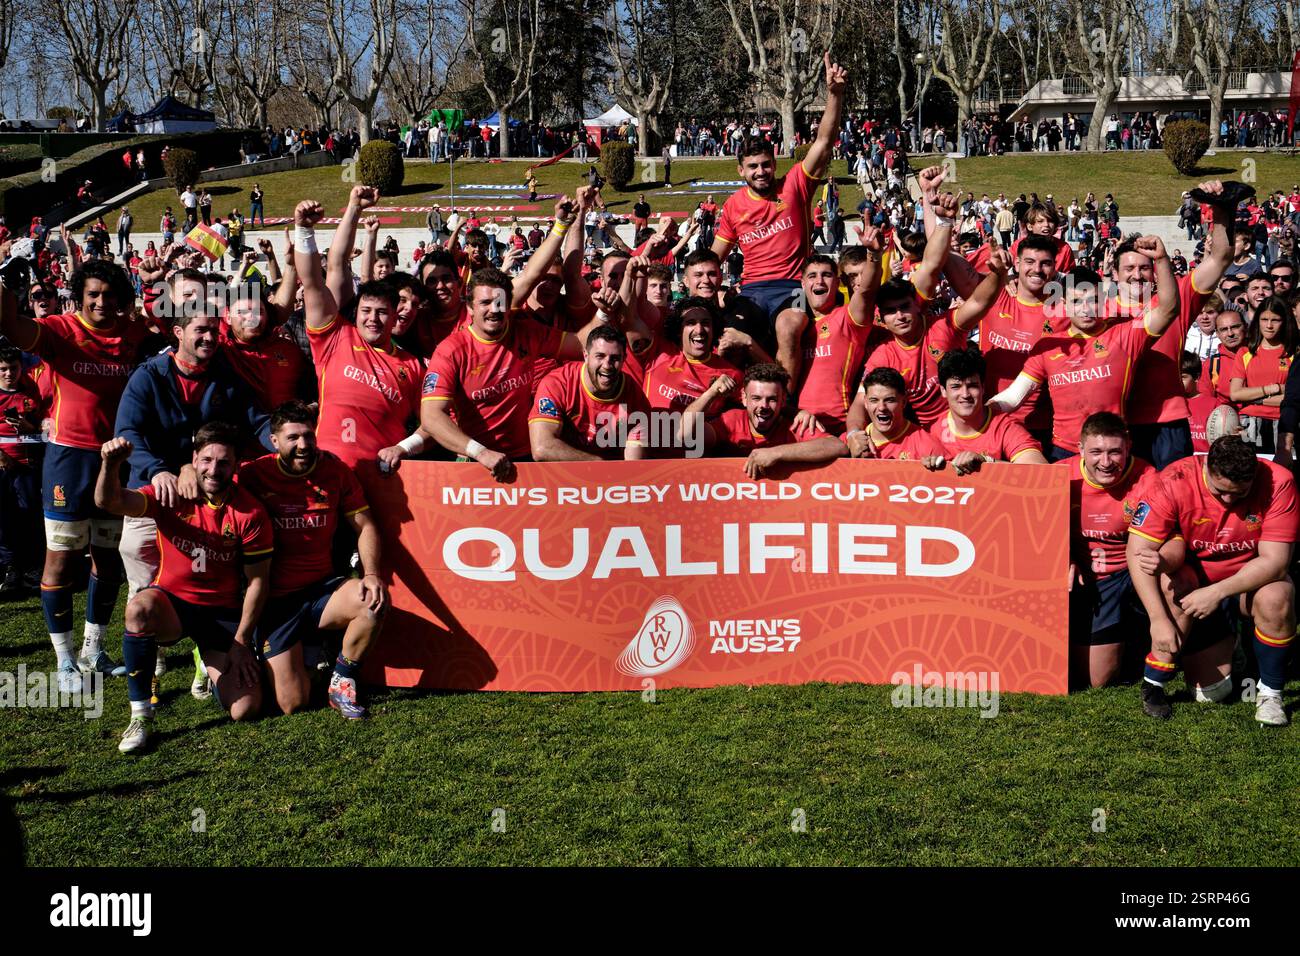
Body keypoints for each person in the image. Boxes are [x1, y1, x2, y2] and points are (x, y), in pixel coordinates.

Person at [1, 259, 145, 688]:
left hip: (114, 460)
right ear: (79, 297)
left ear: (120, 298)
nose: (101, 302)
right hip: (67, 460)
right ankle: (64, 660)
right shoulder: (62, 329)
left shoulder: (132, 333)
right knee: (60, 562)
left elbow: (174, 326)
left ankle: (93, 651)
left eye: (108, 295)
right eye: (92, 295)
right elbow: (10, 323)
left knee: (107, 561)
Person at [94, 427, 273, 753]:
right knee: (138, 609)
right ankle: (141, 716)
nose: (214, 469)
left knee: (245, 709)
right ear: (193, 460)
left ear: (236, 466)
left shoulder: (250, 512)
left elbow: (259, 581)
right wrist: (110, 464)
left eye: (223, 462)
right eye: (206, 460)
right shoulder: (170, 493)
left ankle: (208, 662)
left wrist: (241, 642)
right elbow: (110, 501)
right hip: (173, 605)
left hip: (222, 616)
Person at [422, 197, 614, 479]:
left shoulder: (525, 330)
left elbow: (580, 344)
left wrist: (605, 314)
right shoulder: (451, 350)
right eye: (485, 303)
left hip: (525, 461)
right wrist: (480, 452)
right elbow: (431, 417)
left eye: (500, 303)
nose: (494, 310)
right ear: (470, 307)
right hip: (476, 464)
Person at [1127, 436, 1298, 724]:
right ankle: (1155, 682)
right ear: (1206, 466)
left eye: (1240, 493)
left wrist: (1217, 592)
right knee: (1211, 694)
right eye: (1221, 492)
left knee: (1277, 597)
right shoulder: (1173, 479)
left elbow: (1276, 563)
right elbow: (1137, 552)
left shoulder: (1279, 482)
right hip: (1195, 580)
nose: (1230, 501)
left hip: (1249, 579)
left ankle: (1271, 693)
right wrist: (1158, 619)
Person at [239, 402, 387, 719]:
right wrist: (185, 470)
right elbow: (212, 487)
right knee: (293, 704)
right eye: (293, 438)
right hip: (275, 603)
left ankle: (342, 682)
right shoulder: (253, 475)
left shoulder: (334, 471)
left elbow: (366, 526)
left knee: (371, 601)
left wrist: (371, 573)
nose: (303, 445)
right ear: (274, 440)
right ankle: (295, 653)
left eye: (308, 436)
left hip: (321, 590)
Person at [989, 245, 1180, 460]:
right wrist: (981, 413)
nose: (1086, 309)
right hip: (1063, 452)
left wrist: (1162, 259)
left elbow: (1168, 309)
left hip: (1112, 451)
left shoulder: (1125, 335)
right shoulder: (1049, 346)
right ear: (1063, 304)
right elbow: (1014, 397)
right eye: (1077, 301)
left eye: (1094, 301)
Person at [292, 188, 425, 472]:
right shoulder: (335, 336)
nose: (372, 319)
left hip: (384, 484)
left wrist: (403, 447)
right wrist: (304, 229)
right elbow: (315, 279)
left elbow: (434, 423)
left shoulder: (412, 365)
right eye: (365, 311)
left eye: (381, 313)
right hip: (326, 475)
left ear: (394, 316)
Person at [712, 52, 847, 321]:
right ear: (741, 171)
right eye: (753, 167)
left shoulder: (796, 183)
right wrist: (711, 288)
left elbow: (823, 142)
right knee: (732, 336)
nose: (760, 172)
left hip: (794, 287)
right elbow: (714, 257)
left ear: (774, 164)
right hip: (751, 290)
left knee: (789, 326)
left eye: (765, 165)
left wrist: (835, 95)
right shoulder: (733, 205)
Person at [1065, 413, 1157, 689]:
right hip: (1083, 578)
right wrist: (1064, 558)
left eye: (1114, 452)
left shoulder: (1148, 480)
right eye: (1096, 452)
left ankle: (1148, 638)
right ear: (1080, 449)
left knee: (1168, 574)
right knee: (1092, 680)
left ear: (1128, 447)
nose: (1105, 463)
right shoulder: (1061, 476)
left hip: (1128, 576)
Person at [683, 363, 846, 477]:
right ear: (744, 399)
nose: (763, 405)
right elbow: (686, 435)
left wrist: (777, 453)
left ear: (782, 401)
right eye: (756, 398)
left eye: (772, 399)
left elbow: (837, 446)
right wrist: (711, 394)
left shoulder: (794, 425)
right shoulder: (733, 420)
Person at [529, 325, 652, 461]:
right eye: (600, 356)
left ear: (624, 359)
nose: (607, 365)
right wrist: (596, 463)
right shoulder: (558, 384)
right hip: (564, 474)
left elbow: (634, 462)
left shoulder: (634, 396)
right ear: (586, 356)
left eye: (615, 358)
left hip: (612, 477)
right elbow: (542, 448)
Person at [928, 349, 1047, 469]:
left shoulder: (1004, 426)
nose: (965, 394)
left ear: (983, 387)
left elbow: (1042, 472)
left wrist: (988, 462)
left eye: (972, 386)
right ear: (943, 391)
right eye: (956, 387)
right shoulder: (932, 430)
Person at [1227, 296, 1296, 455]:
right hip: (1249, 425)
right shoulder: (1245, 353)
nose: (1269, 325)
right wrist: (1276, 388)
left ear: (1285, 321)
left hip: (1285, 425)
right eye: (1264, 319)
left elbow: (1293, 400)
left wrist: (1252, 397)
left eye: (1275, 320)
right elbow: (1235, 394)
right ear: (1257, 321)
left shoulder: (1293, 353)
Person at [0, 346, 44, 595]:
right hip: (3, 467)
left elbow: (43, 427)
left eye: (13, 368)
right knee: (4, 518)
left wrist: (28, 426)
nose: (9, 374)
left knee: (29, 516)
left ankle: (31, 568)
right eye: (3, 369)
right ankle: (10, 567)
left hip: (27, 467)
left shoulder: (31, 389)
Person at [844, 367, 948, 468]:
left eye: (889, 400)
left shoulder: (928, 447)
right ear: (865, 403)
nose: (881, 407)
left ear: (903, 402)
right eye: (874, 400)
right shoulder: (850, 442)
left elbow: (953, 479)